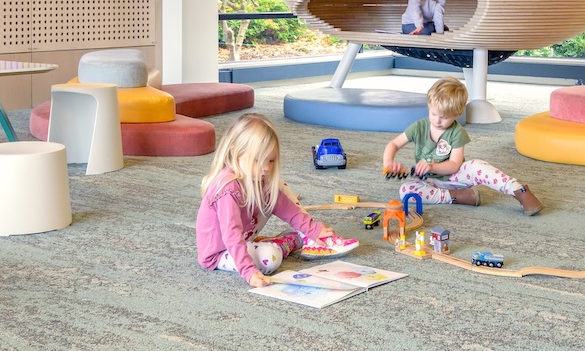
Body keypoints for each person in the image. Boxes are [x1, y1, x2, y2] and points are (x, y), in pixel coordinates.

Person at [196, 113, 356, 286]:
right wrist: (249, 272)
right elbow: (231, 235)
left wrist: (313, 229)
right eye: (258, 160)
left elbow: (285, 207)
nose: (266, 167)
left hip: (243, 237)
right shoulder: (227, 188)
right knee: (270, 259)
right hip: (220, 252)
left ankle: (306, 236)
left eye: (271, 160)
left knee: (276, 186)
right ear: (236, 153)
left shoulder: (256, 177)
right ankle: (290, 241)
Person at [381, 76, 543, 215]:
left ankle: (517, 190)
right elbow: (394, 144)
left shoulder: (457, 132)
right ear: (429, 106)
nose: (437, 121)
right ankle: (458, 196)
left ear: (458, 114)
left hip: (454, 177)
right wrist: (389, 162)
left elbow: (454, 165)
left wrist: (431, 166)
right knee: (406, 191)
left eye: (444, 117)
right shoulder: (419, 127)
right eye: (434, 114)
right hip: (429, 181)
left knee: (477, 165)